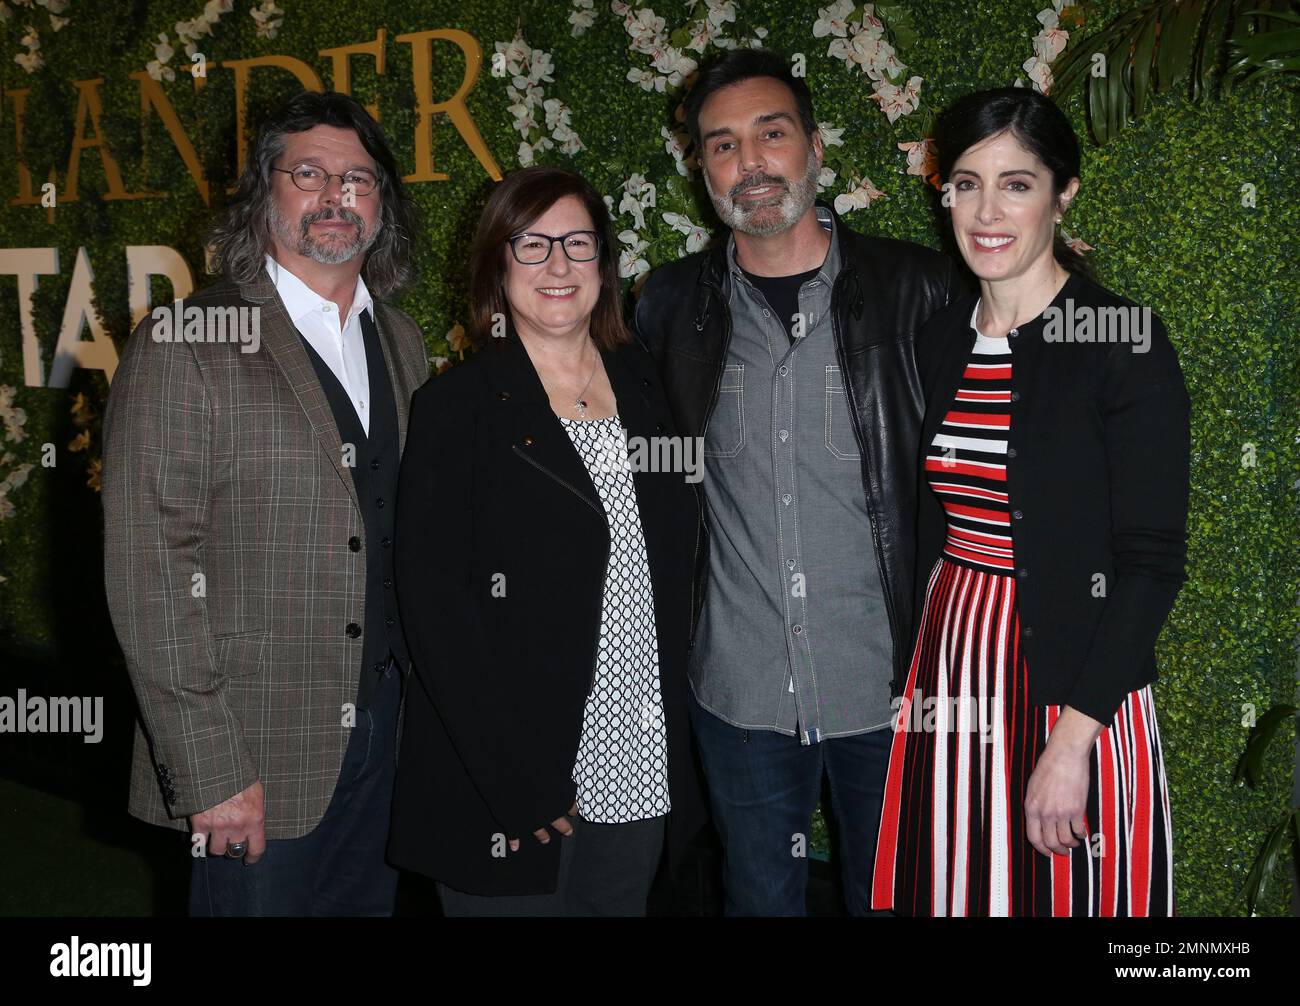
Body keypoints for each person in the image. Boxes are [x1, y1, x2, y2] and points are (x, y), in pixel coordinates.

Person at [634, 48, 969, 916]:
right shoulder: (668, 307)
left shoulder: (919, 292)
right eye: (721, 145)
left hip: (890, 682)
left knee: (891, 893)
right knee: (759, 894)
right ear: (699, 168)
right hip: (737, 686)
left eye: (770, 134)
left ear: (814, 148)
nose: (749, 163)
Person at [102, 90, 427, 916]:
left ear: (381, 205)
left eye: (358, 180)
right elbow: (150, 572)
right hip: (253, 757)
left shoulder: (402, 340)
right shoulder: (186, 343)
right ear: (264, 192)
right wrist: (209, 772)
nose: (335, 198)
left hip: (387, 740)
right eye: (309, 174)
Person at [871, 87, 1189, 916]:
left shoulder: (1122, 342)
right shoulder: (939, 337)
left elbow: (1150, 564)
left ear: (1063, 192)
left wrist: (1073, 740)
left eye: (1017, 183)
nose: (986, 210)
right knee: (958, 883)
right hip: (953, 656)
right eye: (966, 183)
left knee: (1068, 895)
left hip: (1074, 680)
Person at [388, 166, 707, 916]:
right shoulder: (454, 408)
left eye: (577, 243)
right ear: (498, 266)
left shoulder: (651, 386)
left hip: (637, 756)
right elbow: (434, 612)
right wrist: (516, 781)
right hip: (512, 774)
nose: (558, 266)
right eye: (531, 245)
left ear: (604, 261)